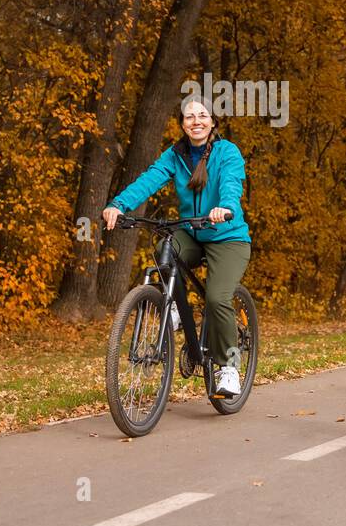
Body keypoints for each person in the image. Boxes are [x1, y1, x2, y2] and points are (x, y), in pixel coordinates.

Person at [102, 94, 251, 398]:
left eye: (202, 115)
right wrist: (118, 205)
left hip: (227, 236)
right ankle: (177, 310)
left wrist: (224, 206)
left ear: (212, 121)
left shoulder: (227, 152)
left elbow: (232, 184)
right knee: (165, 250)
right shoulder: (175, 155)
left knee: (217, 297)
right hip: (193, 233)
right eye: (189, 117)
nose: (196, 121)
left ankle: (229, 368)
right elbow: (149, 180)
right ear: (183, 124)